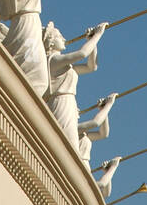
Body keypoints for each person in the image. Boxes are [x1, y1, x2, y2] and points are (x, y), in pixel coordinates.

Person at [43, 22, 107, 150]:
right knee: (68, 146)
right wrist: (98, 35)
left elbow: (91, 67)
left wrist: (92, 41)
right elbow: (82, 54)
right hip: (61, 103)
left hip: (68, 103)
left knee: (71, 147)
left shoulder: (66, 66)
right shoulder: (53, 61)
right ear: (50, 42)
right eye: (59, 36)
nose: (64, 39)